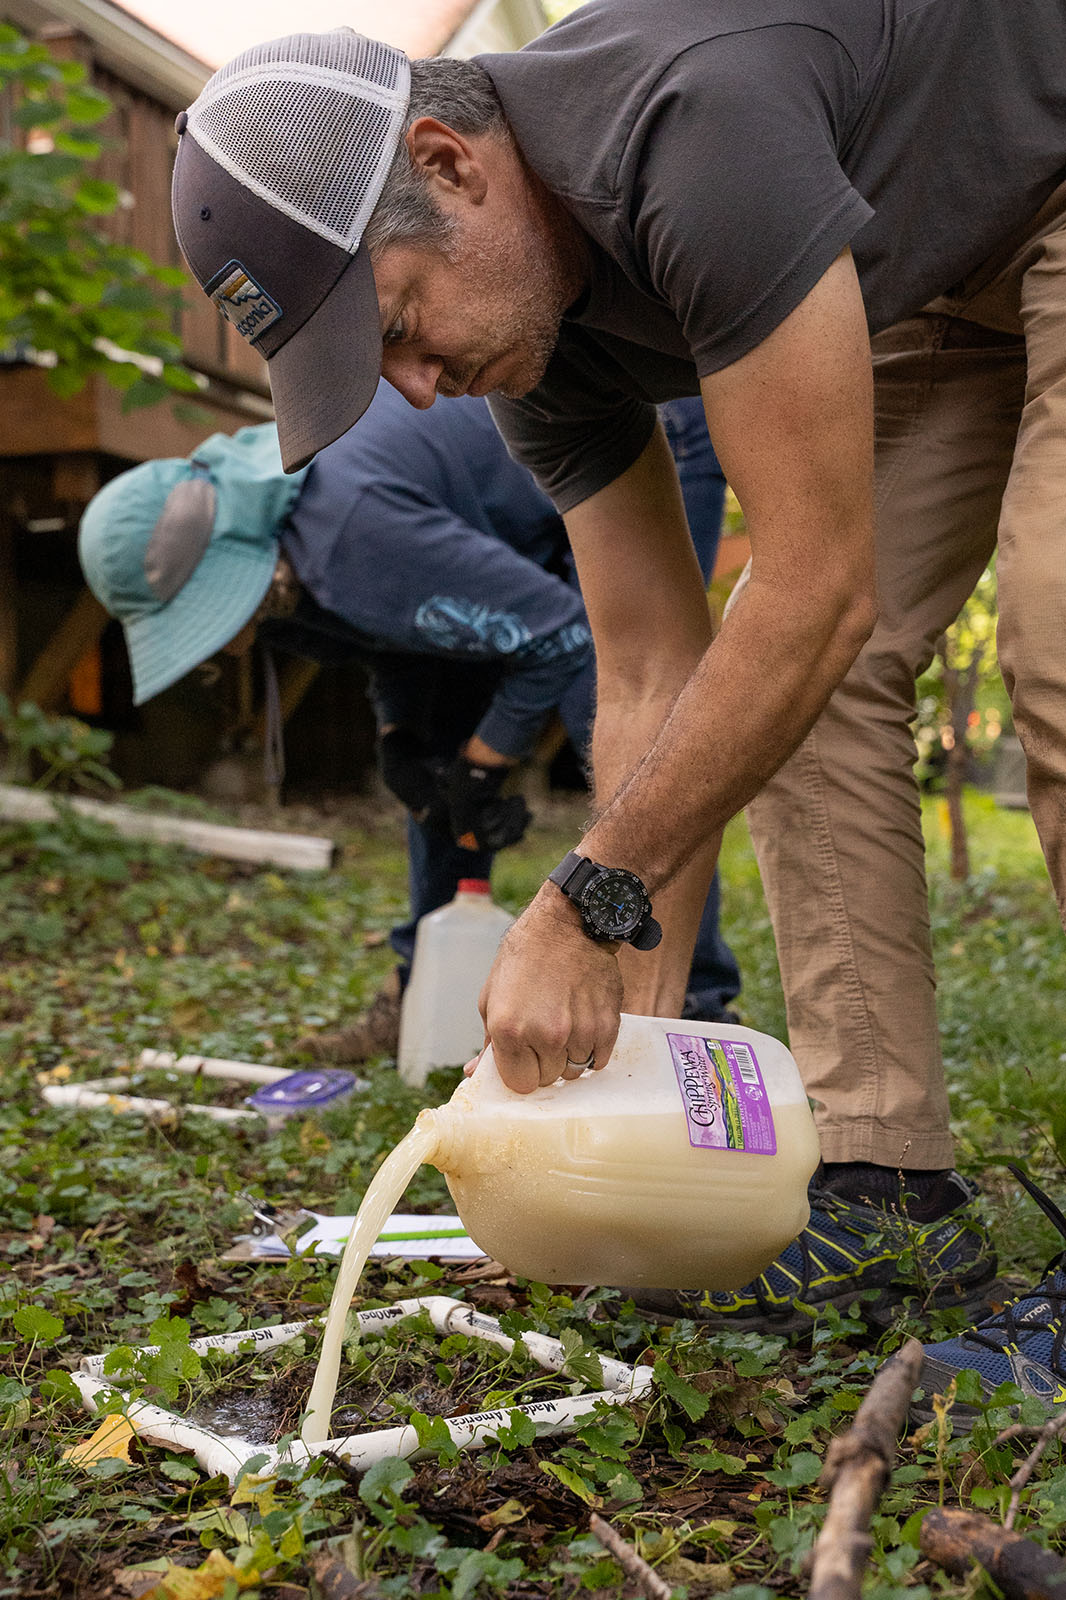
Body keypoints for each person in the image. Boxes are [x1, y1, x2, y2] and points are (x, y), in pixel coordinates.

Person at [169, 7, 1066, 1399]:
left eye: (397, 321)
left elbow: (814, 582)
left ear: (450, 163)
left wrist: (585, 899)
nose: (414, 387)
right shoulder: (533, 348)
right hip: (925, 258)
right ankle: (889, 1190)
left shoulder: (688, 132)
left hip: (1046, 160)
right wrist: (623, 1063)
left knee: (1055, 637)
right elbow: (653, 660)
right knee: (800, 701)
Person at [78, 382, 742, 1062]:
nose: (209, 645)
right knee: (438, 764)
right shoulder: (295, 558)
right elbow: (406, 631)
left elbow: (558, 635)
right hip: (521, 497)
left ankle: (691, 1004)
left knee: (622, 697)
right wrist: (404, 741)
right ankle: (427, 994)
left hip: (633, 424)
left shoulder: (344, 533)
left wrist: (487, 762)